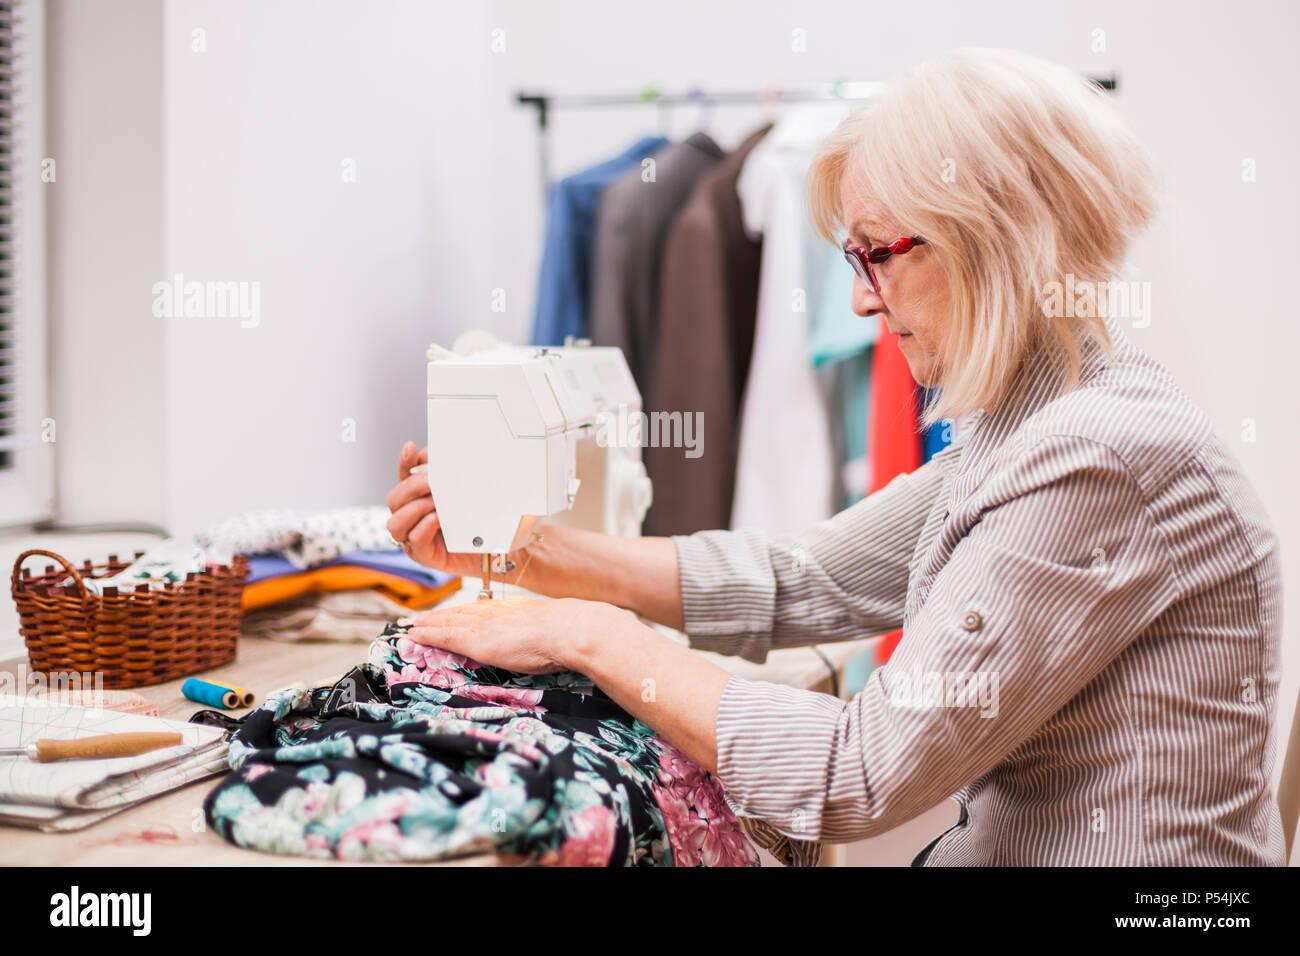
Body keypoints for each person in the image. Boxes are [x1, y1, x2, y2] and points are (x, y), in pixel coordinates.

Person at [384, 47, 1286, 866]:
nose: (860, 303)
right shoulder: (1041, 418)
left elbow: (859, 773)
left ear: (992, 239)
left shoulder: (1096, 460)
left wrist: (589, 635)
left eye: (875, 255)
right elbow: (804, 577)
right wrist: (528, 556)